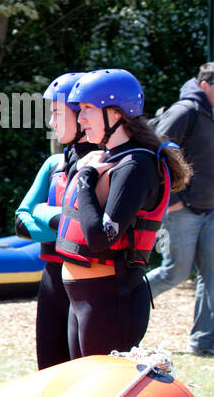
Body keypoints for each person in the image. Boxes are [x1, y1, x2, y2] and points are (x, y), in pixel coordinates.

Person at [55, 69, 191, 358]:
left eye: (88, 109)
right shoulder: (111, 158)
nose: (80, 119)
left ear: (115, 113)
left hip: (110, 300)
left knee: (98, 396)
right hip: (86, 298)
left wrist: (85, 179)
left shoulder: (135, 166)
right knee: (80, 393)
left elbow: (99, 240)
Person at [15, 72, 100, 368]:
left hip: (92, 282)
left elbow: (95, 234)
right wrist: (65, 222)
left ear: (81, 114)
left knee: (87, 373)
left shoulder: (107, 164)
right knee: (48, 369)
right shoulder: (54, 164)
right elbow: (20, 223)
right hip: (53, 279)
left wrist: (44, 214)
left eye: (56, 113)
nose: (51, 123)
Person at [144, 63, 214, 354]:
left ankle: (204, 343)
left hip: (210, 209)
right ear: (205, 85)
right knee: (174, 272)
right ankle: (120, 302)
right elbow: (155, 151)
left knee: (212, 277)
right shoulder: (185, 111)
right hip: (182, 209)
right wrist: (172, 201)